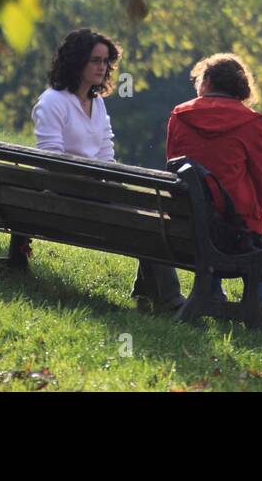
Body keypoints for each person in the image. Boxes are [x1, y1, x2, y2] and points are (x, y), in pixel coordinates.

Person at [28, 28, 185, 312]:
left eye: (105, 61)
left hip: (94, 192)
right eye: (95, 60)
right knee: (148, 222)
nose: (102, 67)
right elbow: (51, 161)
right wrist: (92, 179)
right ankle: (169, 300)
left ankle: (149, 294)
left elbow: (105, 154)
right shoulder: (53, 102)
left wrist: (109, 183)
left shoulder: (97, 103)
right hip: (63, 196)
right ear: (77, 61)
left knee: (153, 216)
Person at [165, 52, 262, 332]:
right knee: (257, 239)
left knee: (208, 213)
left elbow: (173, 165)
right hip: (234, 229)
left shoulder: (180, 114)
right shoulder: (250, 121)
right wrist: (258, 218)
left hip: (185, 223)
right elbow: (258, 176)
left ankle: (213, 292)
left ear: (207, 81)